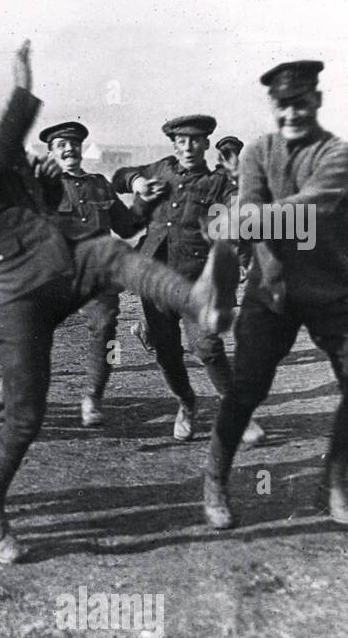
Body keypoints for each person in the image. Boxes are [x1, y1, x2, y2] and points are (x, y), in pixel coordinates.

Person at [0, 44, 239, 564]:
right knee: (25, 419)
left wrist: (42, 189)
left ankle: (198, 301)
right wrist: (22, 88)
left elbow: (26, 201)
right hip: (12, 292)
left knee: (110, 252)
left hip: (55, 264)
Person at [204, 60, 348, 529]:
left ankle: (336, 484)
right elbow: (249, 206)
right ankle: (215, 481)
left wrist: (237, 223)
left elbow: (310, 210)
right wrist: (235, 235)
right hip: (272, 292)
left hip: (333, 292)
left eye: (301, 104)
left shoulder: (337, 153)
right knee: (246, 391)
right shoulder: (257, 152)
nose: (292, 114)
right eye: (283, 106)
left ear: (316, 102)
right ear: (273, 107)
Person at [112, 117, 264, 445]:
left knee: (207, 347)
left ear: (207, 144)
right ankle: (186, 403)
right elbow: (118, 178)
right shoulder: (162, 170)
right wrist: (137, 181)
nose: (188, 147)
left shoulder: (218, 183)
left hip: (197, 283)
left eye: (195, 141)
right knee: (167, 353)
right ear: (173, 145)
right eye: (181, 141)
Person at [37, 120, 143, 426]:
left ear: (81, 149)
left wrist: (146, 198)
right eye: (61, 145)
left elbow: (126, 226)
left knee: (106, 327)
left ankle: (93, 396)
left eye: (73, 144)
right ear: (51, 154)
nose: (69, 149)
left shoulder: (100, 184)